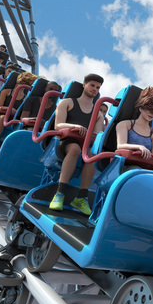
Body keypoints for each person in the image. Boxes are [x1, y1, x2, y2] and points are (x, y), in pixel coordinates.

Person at [49, 74, 106, 215]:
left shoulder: (98, 114)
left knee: (94, 154)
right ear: (84, 85)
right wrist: (74, 126)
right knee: (74, 149)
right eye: (92, 85)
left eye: (97, 87)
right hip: (66, 142)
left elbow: (97, 135)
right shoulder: (67, 102)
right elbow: (58, 125)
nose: (94, 89)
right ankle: (59, 194)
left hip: (85, 145)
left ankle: (81, 198)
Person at [0, 70, 38, 153]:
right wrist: (9, 109)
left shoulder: (26, 97)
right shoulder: (6, 92)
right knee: (3, 118)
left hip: (15, 118)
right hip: (1, 114)